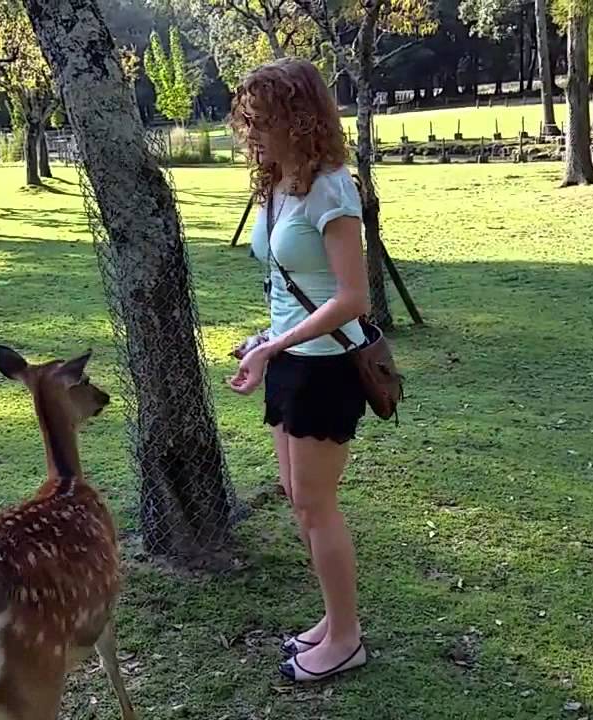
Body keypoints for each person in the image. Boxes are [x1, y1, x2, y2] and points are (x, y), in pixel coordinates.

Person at [227, 58, 371, 683]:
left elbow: (352, 298)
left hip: (327, 366)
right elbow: (289, 287)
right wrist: (266, 340)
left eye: (265, 120)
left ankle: (347, 637)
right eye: (248, 120)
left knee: (317, 504)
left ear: (300, 118)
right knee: (298, 500)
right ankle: (331, 622)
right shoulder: (279, 184)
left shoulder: (331, 189)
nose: (253, 132)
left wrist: (274, 344)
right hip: (289, 358)